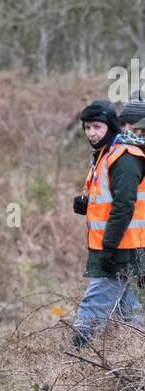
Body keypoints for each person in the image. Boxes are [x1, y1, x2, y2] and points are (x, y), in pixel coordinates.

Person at [72, 99, 145, 344]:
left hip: (121, 247)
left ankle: (73, 356)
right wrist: (85, 203)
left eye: (97, 127)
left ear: (109, 126)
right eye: (87, 127)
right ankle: (135, 355)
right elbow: (108, 198)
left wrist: (109, 246)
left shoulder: (123, 155)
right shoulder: (105, 153)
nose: (91, 133)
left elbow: (124, 206)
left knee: (93, 305)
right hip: (121, 246)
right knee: (130, 311)